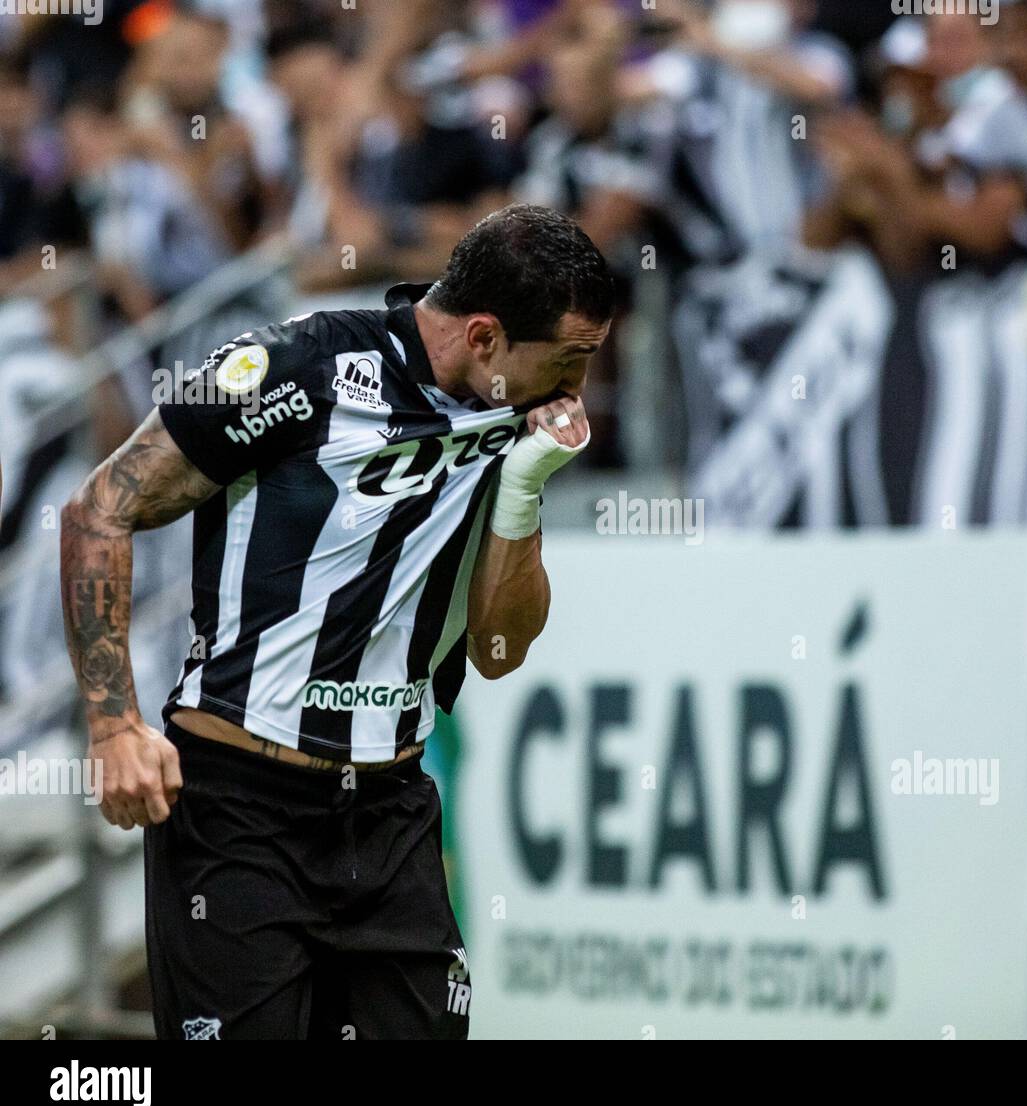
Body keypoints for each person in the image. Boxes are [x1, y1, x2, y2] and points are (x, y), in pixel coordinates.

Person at [59, 203, 614, 1039]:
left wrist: (527, 486)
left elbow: (499, 651)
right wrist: (112, 728)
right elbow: (98, 509)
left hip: (389, 814)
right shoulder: (293, 365)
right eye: (571, 361)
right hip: (239, 810)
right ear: (486, 338)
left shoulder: (520, 423)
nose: (579, 390)